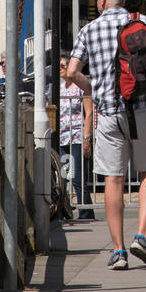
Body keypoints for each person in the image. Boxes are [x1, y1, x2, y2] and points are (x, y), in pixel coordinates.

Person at [64, 0, 146, 270]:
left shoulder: (88, 30)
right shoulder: (143, 21)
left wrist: (95, 89)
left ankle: (119, 251)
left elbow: (72, 71)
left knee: (113, 179)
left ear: (101, 1)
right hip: (143, 108)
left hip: (108, 114)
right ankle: (143, 237)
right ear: (124, 1)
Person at [59, 56, 95, 221]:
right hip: (63, 137)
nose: (60, 68)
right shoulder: (60, 88)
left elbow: (89, 113)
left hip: (77, 136)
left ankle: (85, 213)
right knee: (65, 177)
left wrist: (87, 138)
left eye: (63, 65)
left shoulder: (81, 87)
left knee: (78, 178)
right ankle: (66, 212)